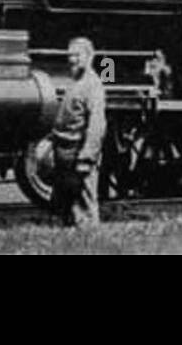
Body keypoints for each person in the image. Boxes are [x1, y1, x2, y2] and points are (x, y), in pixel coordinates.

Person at [48, 37, 107, 227]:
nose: (72, 59)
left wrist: (87, 156)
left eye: (77, 55)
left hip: (79, 151)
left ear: (90, 56)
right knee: (67, 202)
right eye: (70, 55)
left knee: (85, 200)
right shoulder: (75, 82)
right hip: (65, 151)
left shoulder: (93, 85)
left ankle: (90, 237)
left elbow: (97, 125)